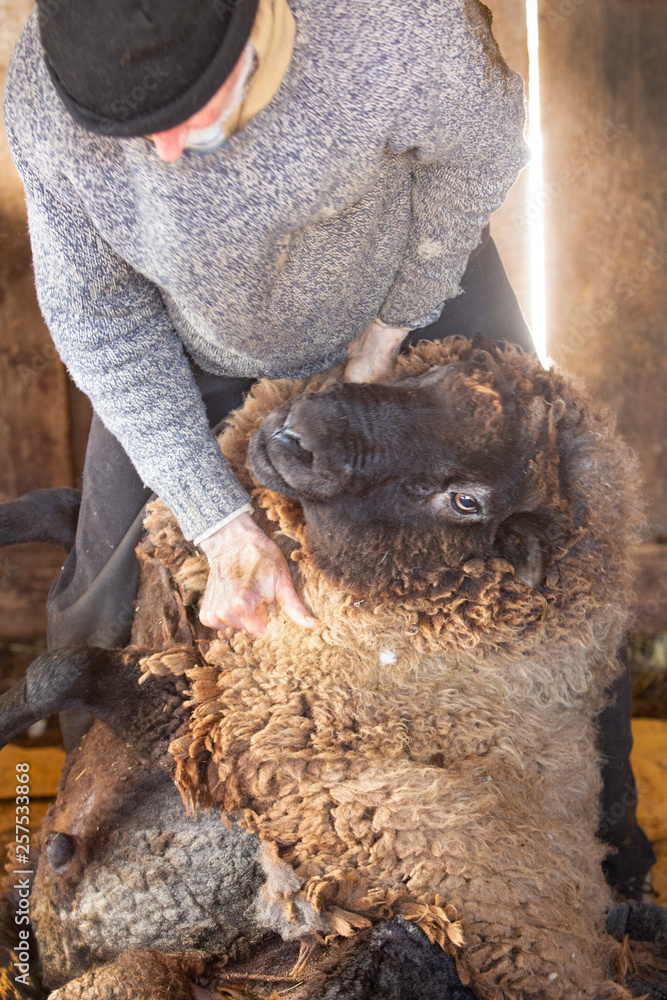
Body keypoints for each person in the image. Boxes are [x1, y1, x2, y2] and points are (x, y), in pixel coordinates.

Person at [4, 0, 654, 895]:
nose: (161, 155)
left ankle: (614, 879)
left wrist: (396, 323)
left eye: (188, 111)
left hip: (407, 302)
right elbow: (102, 320)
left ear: (258, 22)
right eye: (127, 130)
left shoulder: (391, 25)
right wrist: (219, 520)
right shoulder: (43, 90)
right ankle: (83, 891)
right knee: (103, 606)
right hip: (188, 352)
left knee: (558, 556)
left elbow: (484, 146)